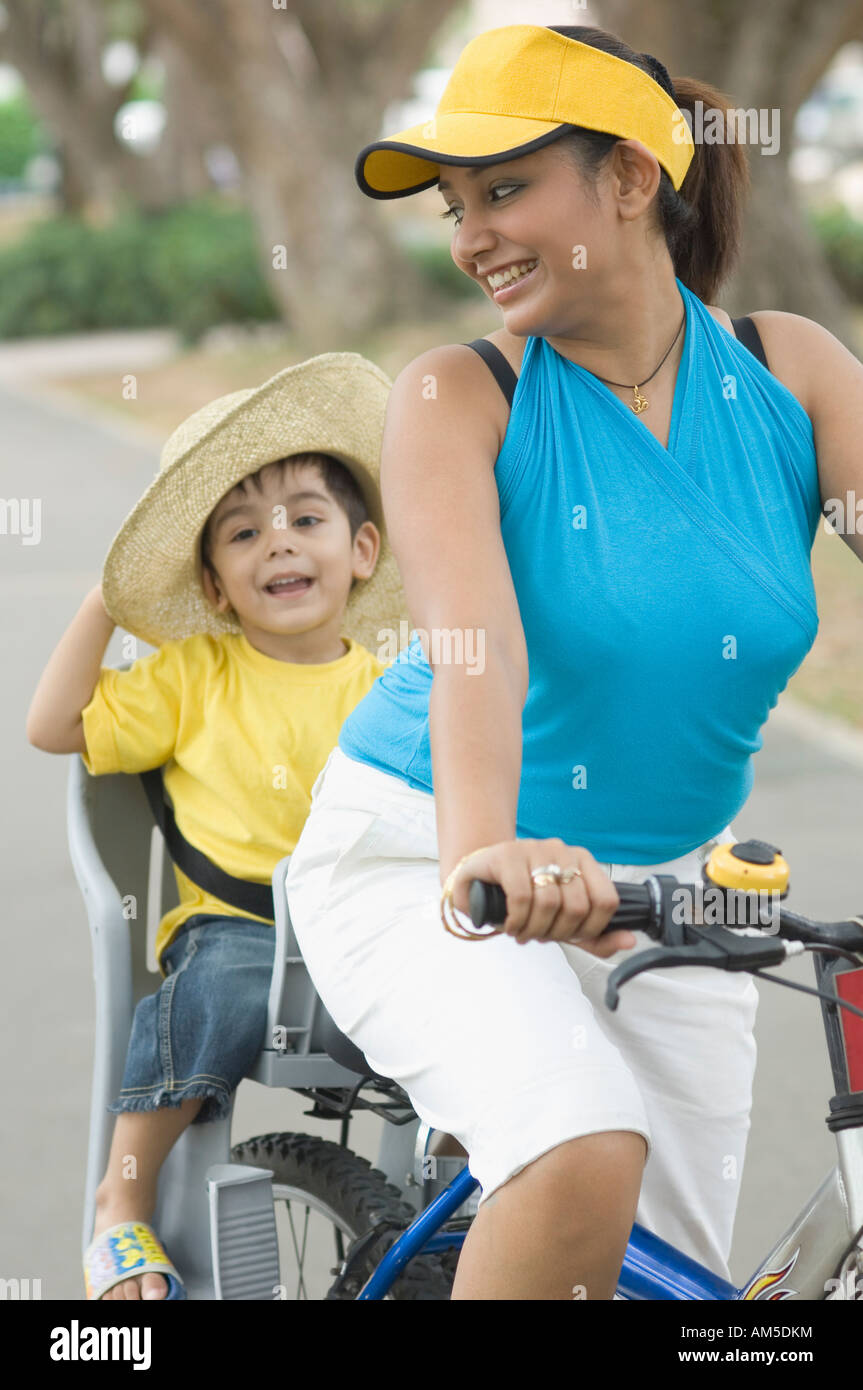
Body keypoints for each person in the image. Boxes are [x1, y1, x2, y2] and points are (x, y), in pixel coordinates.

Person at [285, 23, 862, 1300]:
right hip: (434, 848)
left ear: (630, 179)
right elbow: (472, 646)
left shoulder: (792, 375)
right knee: (578, 1152)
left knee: (670, 1282)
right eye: (455, 207)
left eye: (502, 190)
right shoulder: (459, 394)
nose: (469, 235)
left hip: (669, 890)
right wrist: (484, 850)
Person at [26, 352, 410, 1300]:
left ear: (362, 552)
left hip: (361, 927)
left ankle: (457, 1194)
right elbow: (52, 728)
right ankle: (123, 1200)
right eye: (244, 534)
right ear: (214, 586)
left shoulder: (388, 686)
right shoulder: (195, 678)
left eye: (306, 520)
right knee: (226, 987)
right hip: (239, 929)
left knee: (484, 984)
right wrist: (102, 601)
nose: (278, 546)